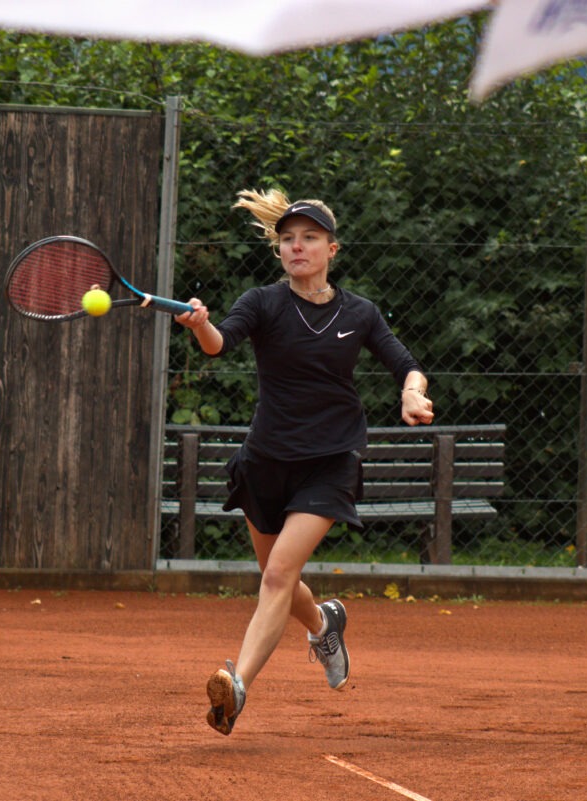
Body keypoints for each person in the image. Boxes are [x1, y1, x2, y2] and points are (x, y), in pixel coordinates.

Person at [175, 188, 434, 736]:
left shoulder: (360, 313)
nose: (297, 246)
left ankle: (236, 687)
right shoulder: (263, 302)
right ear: (279, 251)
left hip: (330, 461)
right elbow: (220, 342)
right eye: (288, 239)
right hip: (265, 461)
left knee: (276, 576)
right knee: (280, 579)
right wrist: (200, 325)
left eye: (309, 238)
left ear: (331, 249)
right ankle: (324, 624)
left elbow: (406, 364)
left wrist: (412, 393)